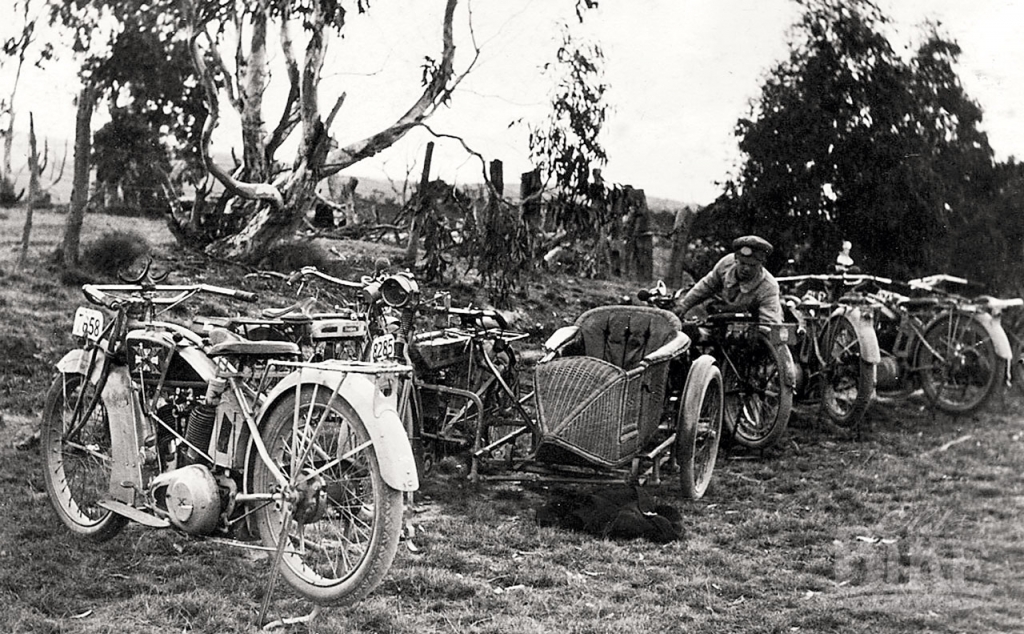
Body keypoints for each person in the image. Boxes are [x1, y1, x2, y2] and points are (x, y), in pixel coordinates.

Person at [674, 235, 783, 324]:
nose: (746, 269)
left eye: (752, 265)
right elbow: (706, 285)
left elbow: (770, 323)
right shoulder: (726, 263)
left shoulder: (769, 286)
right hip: (721, 319)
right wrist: (684, 306)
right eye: (743, 263)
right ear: (736, 259)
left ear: (761, 264)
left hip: (752, 327)